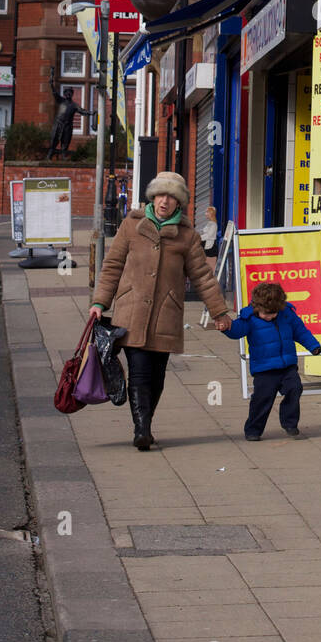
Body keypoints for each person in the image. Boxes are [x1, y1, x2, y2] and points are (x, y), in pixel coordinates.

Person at [89, 172, 233, 450]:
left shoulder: (187, 236)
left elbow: (202, 276)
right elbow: (112, 266)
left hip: (166, 314)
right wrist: (99, 303)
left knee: (157, 376)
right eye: (160, 195)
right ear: (152, 196)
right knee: (140, 372)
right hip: (130, 312)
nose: (164, 201)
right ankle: (141, 428)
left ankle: (146, 421)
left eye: (171, 197)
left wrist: (219, 312)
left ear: (179, 203)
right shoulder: (131, 226)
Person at [224, 282, 321, 441]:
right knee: (262, 400)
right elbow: (236, 331)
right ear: (257, 307)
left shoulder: (287, 314)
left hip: (287, 366)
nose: (269, 316)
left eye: (273, 313)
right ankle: (253, 430)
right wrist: (225, 328)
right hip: (264, 369)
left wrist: (313, 346)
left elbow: (300, 331)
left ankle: (290, 423)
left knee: (295, 388)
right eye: (266, 314)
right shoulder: (249, 318)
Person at [47, 69, 96, 159]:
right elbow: (54, 93)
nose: (68, 94)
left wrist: (91, 113)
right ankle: (49, 155)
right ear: (64, 94)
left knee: (65, 141)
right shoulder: (61, 101)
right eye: (67, 92)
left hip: (67, 126)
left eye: (70, 92)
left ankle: (64, 155)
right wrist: (51, 84)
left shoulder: (74, 105)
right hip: (59, 124)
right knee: (54, 140)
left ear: (72, 94)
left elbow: (82, 111)